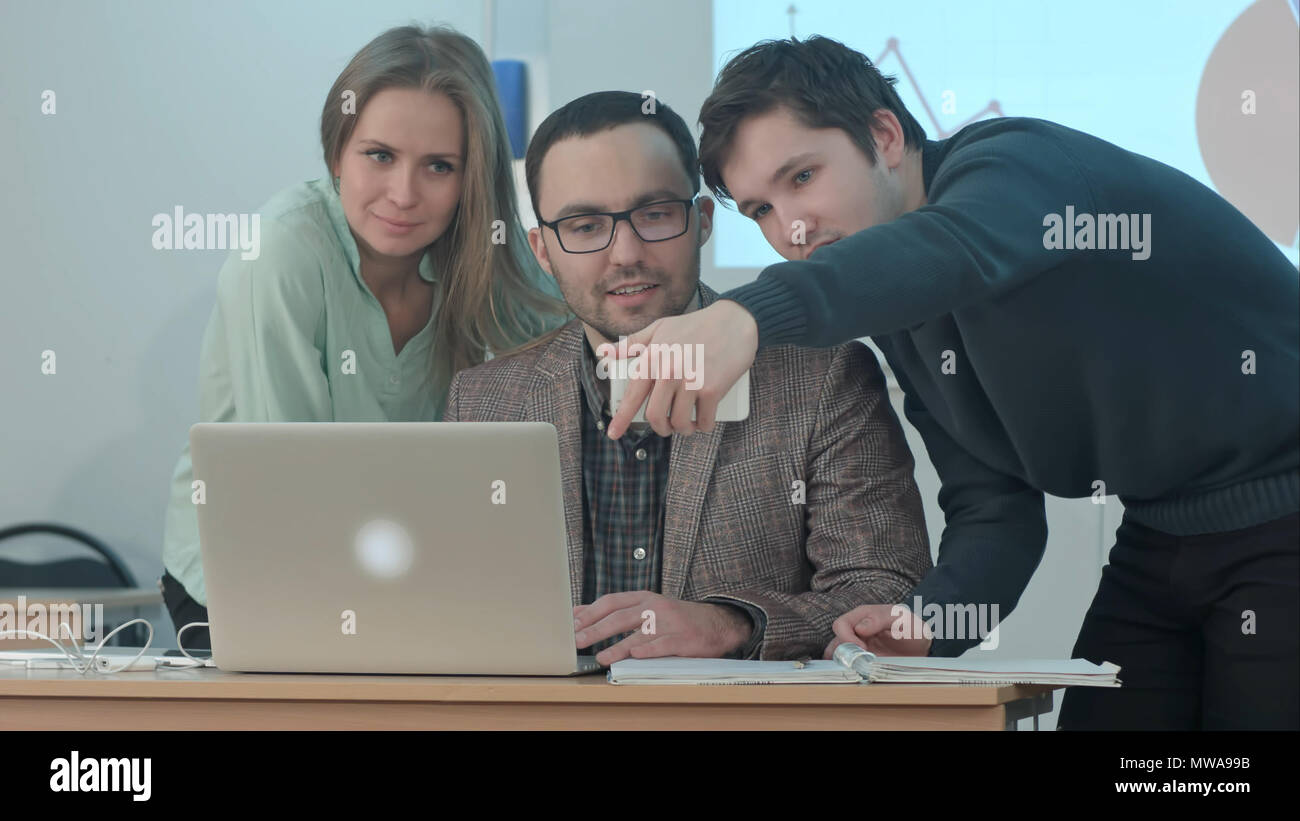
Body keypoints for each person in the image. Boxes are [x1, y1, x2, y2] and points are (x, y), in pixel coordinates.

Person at [605, 36, 1299, 729]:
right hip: (1160, 535)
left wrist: (744, 315)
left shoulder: (1018, 169)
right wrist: (926, 624)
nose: (790, 228)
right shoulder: (899, 309)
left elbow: (954, 250)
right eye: (759, 209)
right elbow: (997, 507)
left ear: (885, 135)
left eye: (803, 177)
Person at [444, 91, 933, 664]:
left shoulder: (824, 376)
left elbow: (886, 593)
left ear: (701, 222)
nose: (625, 253)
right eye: (583, 225)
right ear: (543, 250)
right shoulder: (481, 400)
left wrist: (733, 625)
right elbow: (454, 606)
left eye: (654, 214)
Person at [159, 25, 568, 647]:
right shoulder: (281, 250)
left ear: (471, 179)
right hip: (246, 568)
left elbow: (578, 370)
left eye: (439, 166)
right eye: (379, 156)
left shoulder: (493, 261)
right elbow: (288, 481)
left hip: (402, 573)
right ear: (336, 154)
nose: (403, 195)